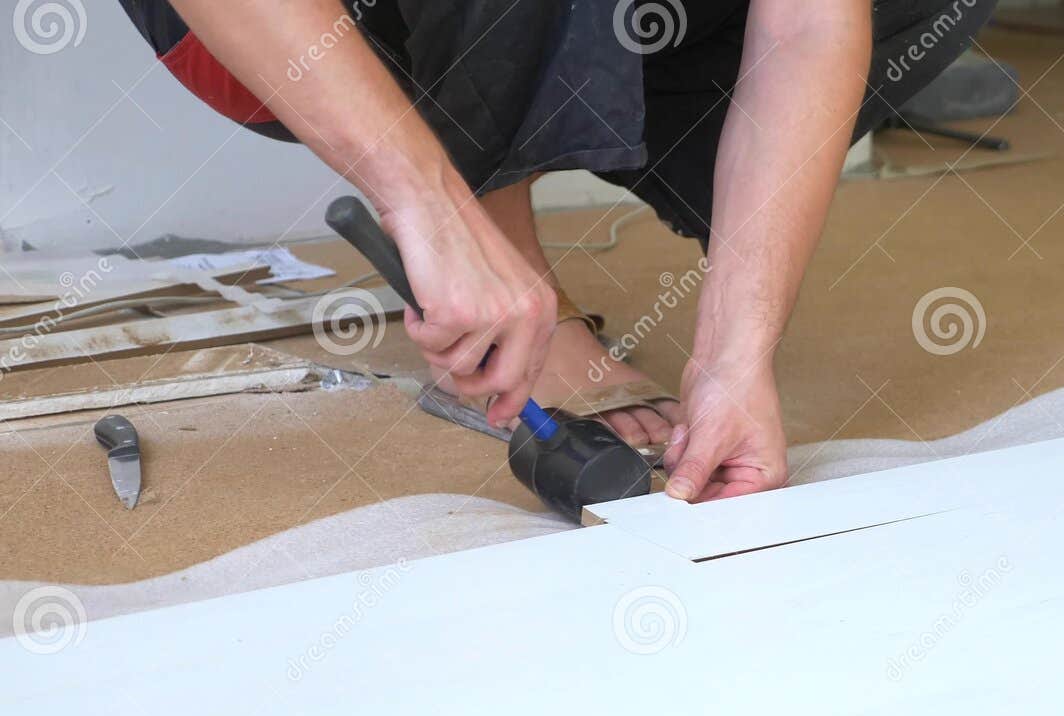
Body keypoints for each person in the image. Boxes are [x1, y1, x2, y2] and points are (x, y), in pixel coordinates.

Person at [118, 0, 997, 501]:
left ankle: (493, 242)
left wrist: (736, 354)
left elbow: (806, 22)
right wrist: (425, 207)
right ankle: (497, 251)